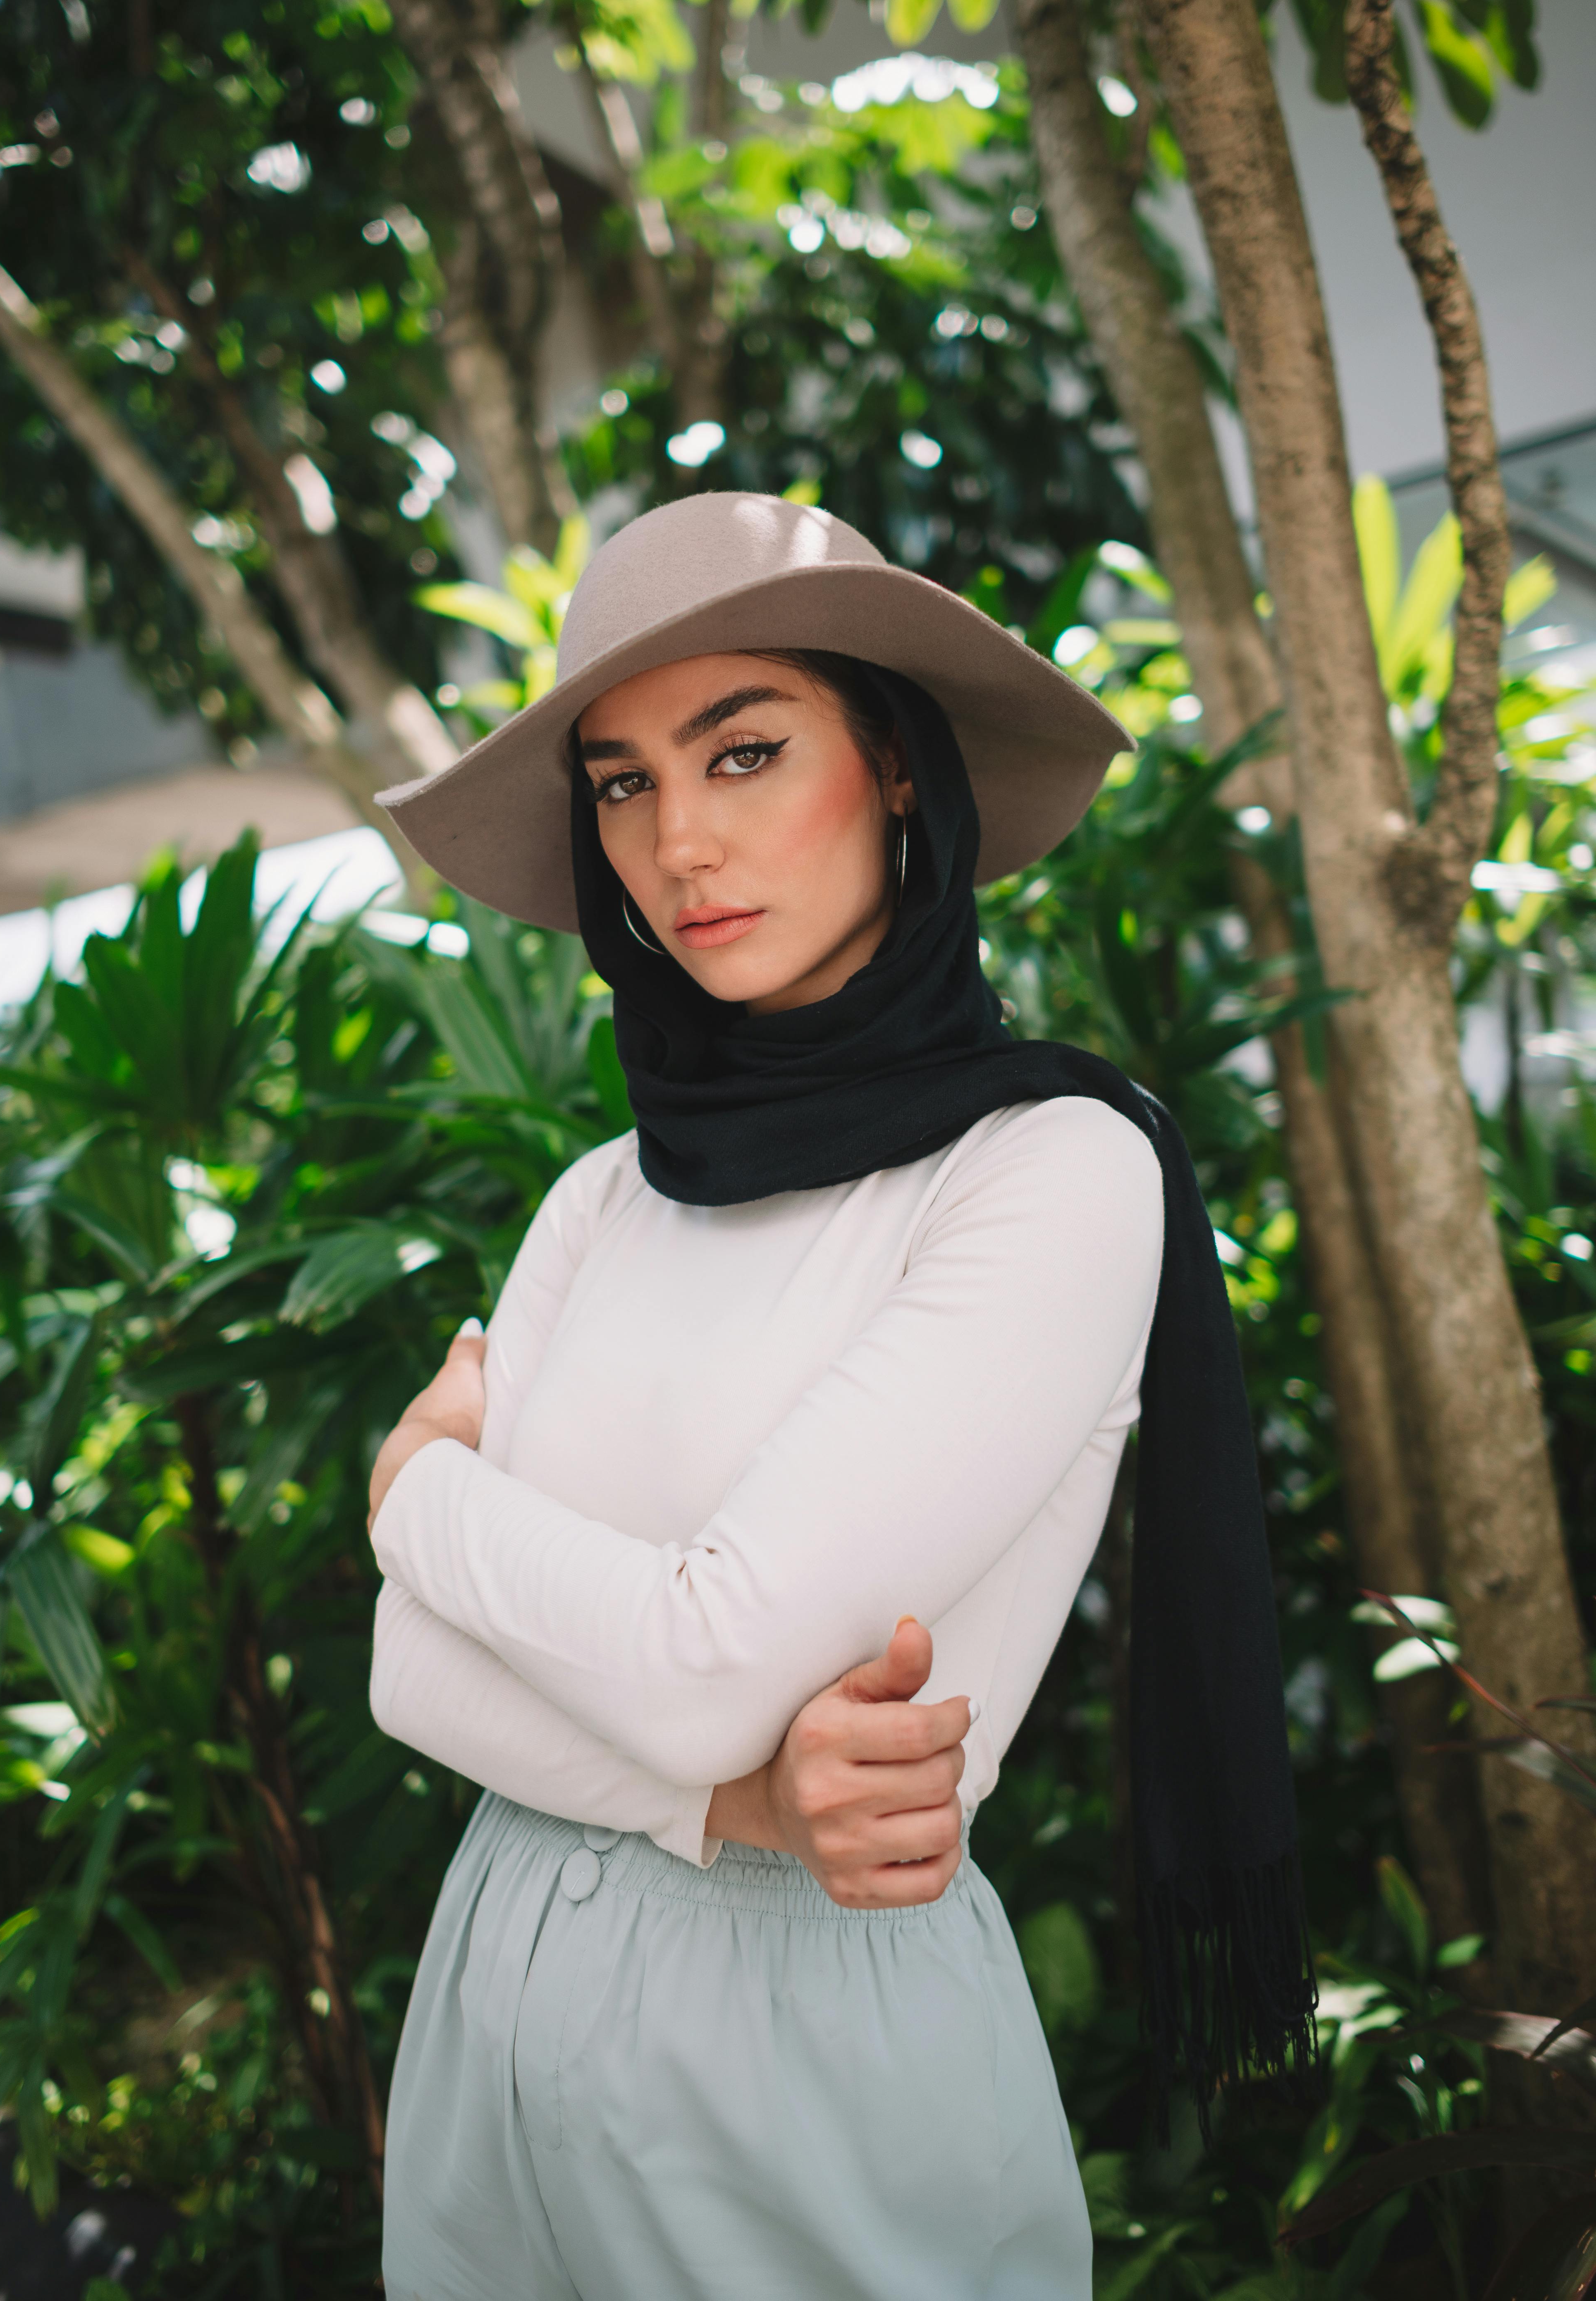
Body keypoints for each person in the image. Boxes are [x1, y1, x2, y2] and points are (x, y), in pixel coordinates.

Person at [364, 494, 1314, 2301]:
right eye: (623, 783)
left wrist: (417, 1498)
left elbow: (707, 1654)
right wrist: (726, 1803)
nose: (678, 839)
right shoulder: (601, 1195)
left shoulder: (1045, 1170)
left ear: (892, 767)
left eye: (742, 750)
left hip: (802, 2043)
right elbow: (410, 1677)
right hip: (490, 2002)